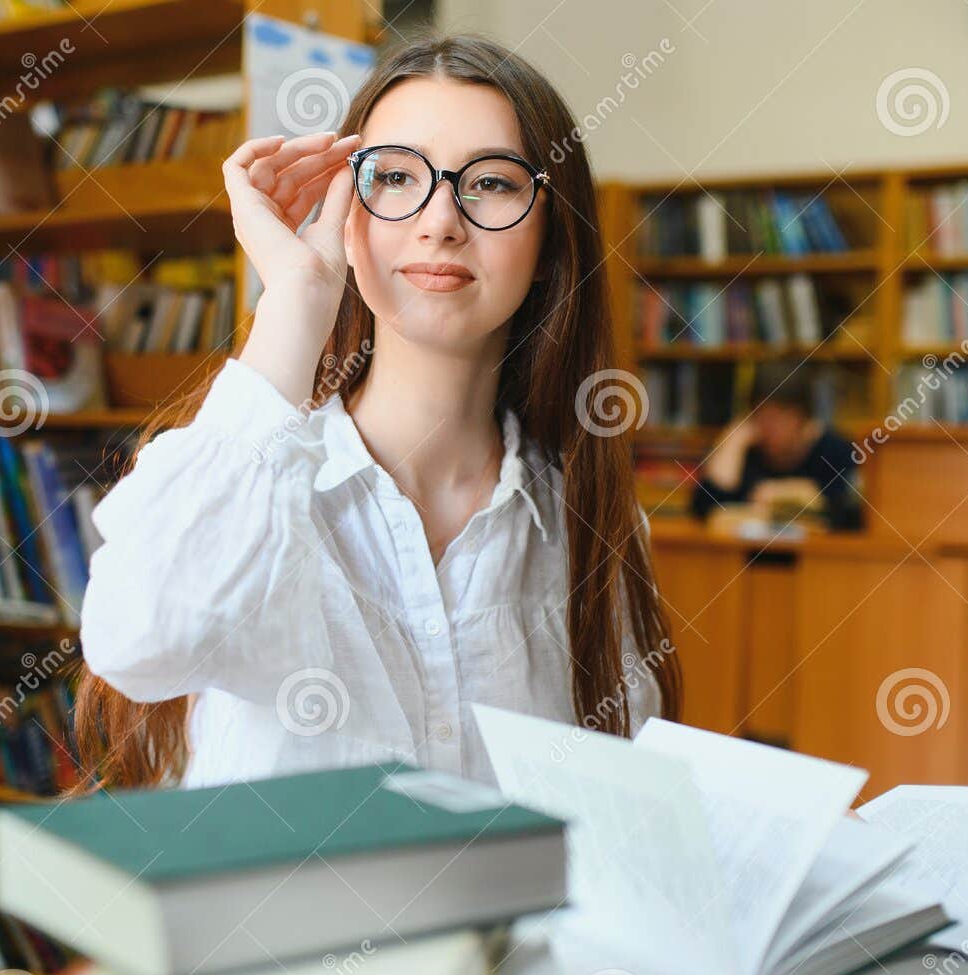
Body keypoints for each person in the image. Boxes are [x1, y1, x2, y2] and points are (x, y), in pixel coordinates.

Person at [74, 34, 682, 790]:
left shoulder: (589, 520)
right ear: (346, 212)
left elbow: (620, 803)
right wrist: (296, 300)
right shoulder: (257, 486)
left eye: (492, 183)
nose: (441, 221)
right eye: (395, 176)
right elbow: (139, 643)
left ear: (550, 239)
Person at [690, 364, 862, 531]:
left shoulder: (835, 451)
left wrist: (788, 494)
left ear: (804, 417)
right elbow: (704, 510)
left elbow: (850, 515)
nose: (770, 426)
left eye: (780, 416)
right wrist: (732, 444)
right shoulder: (747, 447)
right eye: (761, 415)